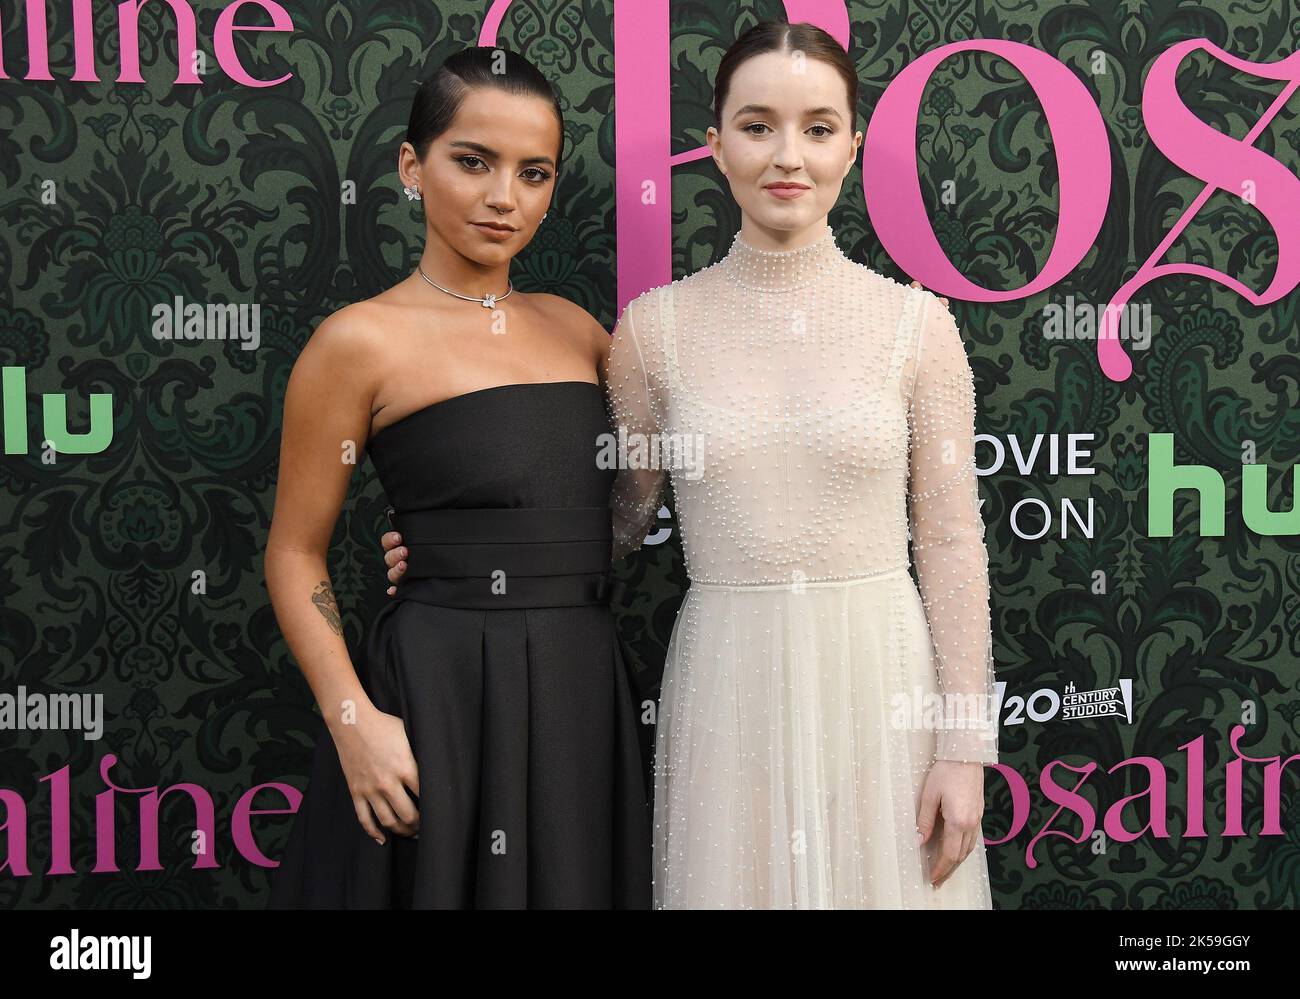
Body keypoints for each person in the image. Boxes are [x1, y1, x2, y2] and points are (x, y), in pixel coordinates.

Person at [385, 20, 999, 909]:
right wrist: (467, 548)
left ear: (854, 147)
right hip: (726, 686)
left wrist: (962, 745)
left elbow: (951, 543)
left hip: (884, 686)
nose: (788, 155)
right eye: (757, 126)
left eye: (819, 128)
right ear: (715, 147)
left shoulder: (918, 327)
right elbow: (618, 526)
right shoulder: (654, 331)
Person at [265, 46, 650, 909]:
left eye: (534, 171)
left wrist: (480, 541)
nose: (504, 196)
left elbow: (621, 511)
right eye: (473, 161)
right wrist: (354, 720)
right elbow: (294, 555)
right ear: (412, 165)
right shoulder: (358, 342)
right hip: (439, 692)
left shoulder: (583, 331)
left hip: (581, 689)